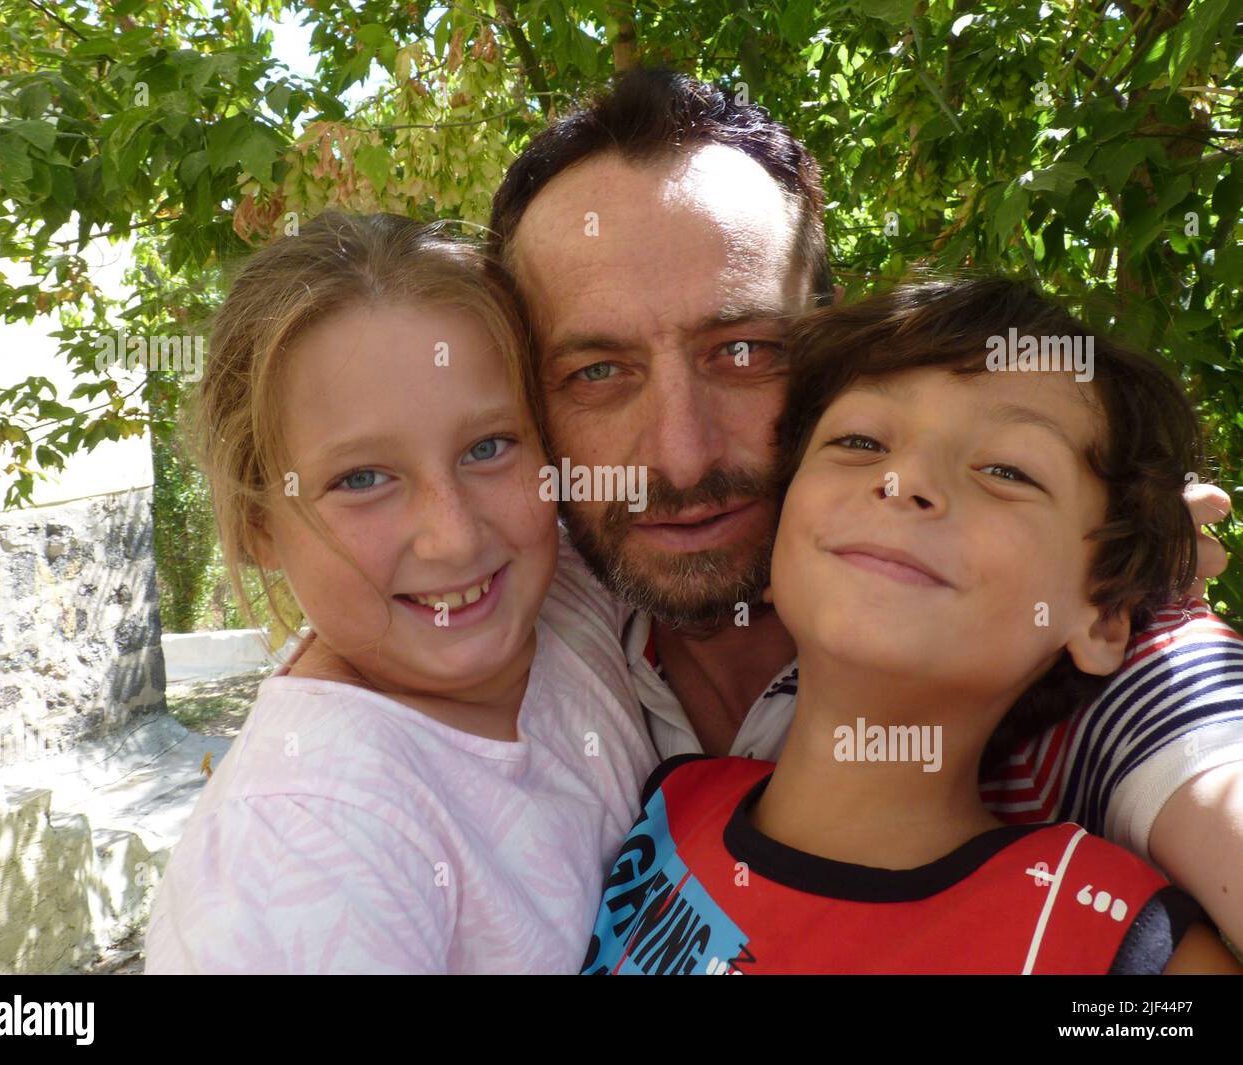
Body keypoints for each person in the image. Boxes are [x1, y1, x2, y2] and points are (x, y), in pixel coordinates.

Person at [487, 67, 1243, 944]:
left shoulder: (1101, 650)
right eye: (595, 372)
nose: (680, 456)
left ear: (829, 350)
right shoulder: (524, 610)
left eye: (741, 351)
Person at [582, 277, 1242, 974]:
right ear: (773, 553)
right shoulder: (667, 809)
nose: (906, 478)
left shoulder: (1108, 941)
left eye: (1007, 470)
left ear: (1104, 618)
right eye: (860, 440)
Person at [144, 211, 657, 974]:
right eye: (362, 479)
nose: (453, 537)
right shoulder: (302, 848)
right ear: (259, 524)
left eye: (488, 447)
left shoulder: (568, 595)